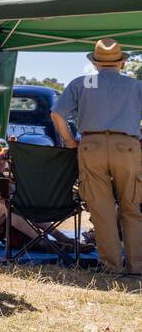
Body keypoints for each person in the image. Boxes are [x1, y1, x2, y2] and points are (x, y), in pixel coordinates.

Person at [50, 38, 142, 274]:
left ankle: (112, 267)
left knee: (102, 210)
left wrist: (71, 141)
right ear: (122, 63)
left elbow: (57, 115)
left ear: (95, 63)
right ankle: (137, 266)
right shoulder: (134, 85)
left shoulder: (84, 82)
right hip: (128, 146)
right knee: (132, 208)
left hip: (92, 145)